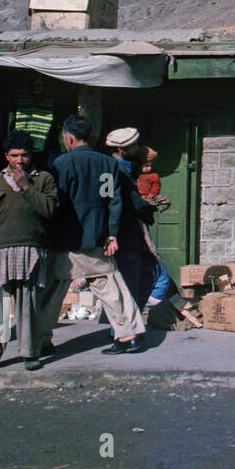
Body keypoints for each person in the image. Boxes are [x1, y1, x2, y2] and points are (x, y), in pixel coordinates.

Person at [49, 115, 146, 355]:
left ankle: (39, 340)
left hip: (67, 240)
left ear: (68, 137)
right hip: (97, 237)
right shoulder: (106, 164)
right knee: (112, 288)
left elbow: (57, 202)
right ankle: (129, 335)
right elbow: (111, 201)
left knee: (51, 294)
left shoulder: (62, 163)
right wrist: (111, 234)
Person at [0, 131, 59, 375]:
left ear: (31, 155)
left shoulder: (44, 180)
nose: (20, 161)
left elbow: (50, 210)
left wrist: (26, 186)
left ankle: (29, 353)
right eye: (14, 155)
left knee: (28, 304)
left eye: (24, 155)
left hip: (32, 250)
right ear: (6, 156)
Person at [104, 127, 158, 312]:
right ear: (122, 149)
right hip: (123, 234)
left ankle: (124, 324)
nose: (137, 148)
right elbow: (109, 201)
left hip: (129, 233)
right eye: (133, 145)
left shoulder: (128, 168)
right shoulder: (110, 169)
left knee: (141, 277)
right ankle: (123, 326)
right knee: (131, 280)